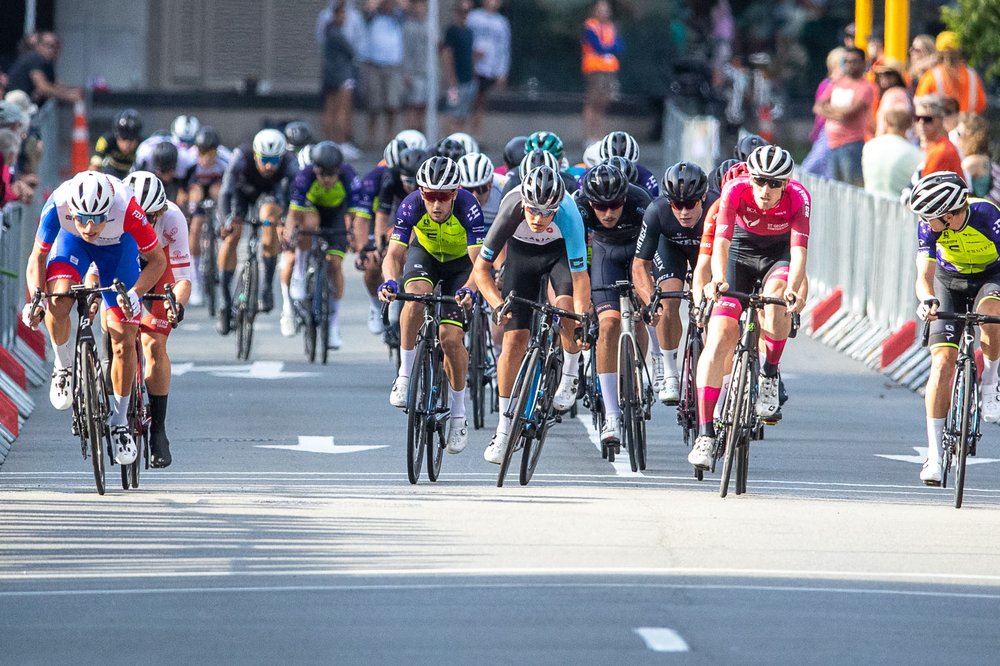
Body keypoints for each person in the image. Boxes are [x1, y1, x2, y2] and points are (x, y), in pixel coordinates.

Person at [21, 171, 166, 465]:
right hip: (71, 246)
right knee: (59, 299)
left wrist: (135, 294)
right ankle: (63, 367)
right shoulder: (58, 203)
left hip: (118, 251)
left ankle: (121, 421)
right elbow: (37, 256)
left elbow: (158, 262)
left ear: (109, 209)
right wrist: (36, 297)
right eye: (83, 218)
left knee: (123, 336)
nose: (90, 226)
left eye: (98, 218)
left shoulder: (127, 207)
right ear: (72, 210)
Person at [688, 146, 809, 470]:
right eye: (760, 181)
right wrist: (716, 281)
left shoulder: (798, 197)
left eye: (773, 184)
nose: (765, 191)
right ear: (749, 177)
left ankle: (769, 374)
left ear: (785, 183)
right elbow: (722, 244)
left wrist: (794, 290)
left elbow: (798, 254)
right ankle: (705, 434)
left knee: (778, 299)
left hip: (777, 256)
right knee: (719, 337)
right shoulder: (734, 190)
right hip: (739, 254)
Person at [472, 166, 590, 463]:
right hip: (521, 257)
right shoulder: (511, 207)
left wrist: (581, 319)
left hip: (558, 255)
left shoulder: (569, 214)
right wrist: (498, 304)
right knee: (513, 342)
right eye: (533, 210)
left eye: (546, 212)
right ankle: (503, 429)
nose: (538, 219)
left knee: (565, 308)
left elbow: (580, 279)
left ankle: (570, 374)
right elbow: (481, 270)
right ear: (524, 203)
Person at [378, 156, 486, 454]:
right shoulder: (410, 205)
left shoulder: (469, 207)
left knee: (451, 340)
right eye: (430, 196)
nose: (436, 205)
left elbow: (480, 264)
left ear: (455, 194)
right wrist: (389, 281)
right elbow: (394, 255)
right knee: (414, 300)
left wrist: (470, 289)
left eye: (443, 197)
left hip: (461, 266)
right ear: (421, 193)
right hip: (424, 256)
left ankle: (459, 414)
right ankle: (404, 374)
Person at [909, 171, 1000, 485]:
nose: (924, 220)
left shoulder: (987, 215)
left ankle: (990, 379)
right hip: (949, 283)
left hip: (991, 277)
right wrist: (927, 300)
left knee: (990, 312)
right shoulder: (928, 227)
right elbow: (924, 276)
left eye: (929, 216)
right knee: (943, 363)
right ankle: (934, 455)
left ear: (947, 215)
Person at [574, 163, 651, 443]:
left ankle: (637, 373)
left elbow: (656, 249)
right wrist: (584, 302)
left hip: (638, 256)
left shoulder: (641, 201)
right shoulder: (579, 205)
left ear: (625, 198)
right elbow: (575, 258)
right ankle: (611, 414)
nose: (608, 213)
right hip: (604, 255)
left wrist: (650, 293)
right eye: (600, 206)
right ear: (590, 201)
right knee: (608, 325)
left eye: (615, 205)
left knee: (641, 316)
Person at [121, 171, 191, 468]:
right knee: (118, 338)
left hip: (157, 268)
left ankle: (158, 430)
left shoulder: (173, 219)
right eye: (140, 216)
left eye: (150, 217)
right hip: (122, 267)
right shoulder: (115, 212)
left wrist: (176, 305)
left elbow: (183, 278)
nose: (144, 223)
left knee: (153, 345)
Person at [633, 162, 716, 405]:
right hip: (671, 248)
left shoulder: (718, 207)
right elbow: (640, 265)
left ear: (703, 198)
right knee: (667, 300)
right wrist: (651, 301)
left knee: (714, 308)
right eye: (677, 205)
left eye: (690, 204)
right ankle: (670, 372)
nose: (683, 212)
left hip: (708, 250)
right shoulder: (656, 211)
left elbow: (728, 257)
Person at [216, 129, 299, 334]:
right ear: (255, 155)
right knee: (233, 233)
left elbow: (295, 198)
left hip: (273, 196)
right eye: (265, 159)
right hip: (242, 194)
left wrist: (286, 223)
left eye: (274, 160)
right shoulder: (241, 157)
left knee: (270, 220)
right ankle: (224, 300)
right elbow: (226, 192)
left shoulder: (290, 163)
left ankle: (267, 289)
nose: (270, 165)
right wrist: (226, 220)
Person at [280, 141, 359, 348]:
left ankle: (333, 325)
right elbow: (293, 214)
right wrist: (289, 236)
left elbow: (355, 215)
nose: (326, 179)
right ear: (315, 169)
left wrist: (354, 237)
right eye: (322, 174)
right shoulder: (304, 176)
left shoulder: (349, 176)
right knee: (308, 224)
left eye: (331, 175)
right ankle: (300, 271)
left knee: (334, 264)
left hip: (336, 214)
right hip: (312, 212)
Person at [812, 46, 874, 186]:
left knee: (851, 185)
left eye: (854, 61)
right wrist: (838, 112)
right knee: (836, 186)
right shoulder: (837, 82)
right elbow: (818, 106)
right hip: (832, 142)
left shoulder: (865, 87)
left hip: (852, 143)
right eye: (846, 61)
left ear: (863, 63)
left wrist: (830, 110)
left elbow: (848, 114)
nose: (850, 65)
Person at [184, 126, 231, 307]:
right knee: (195, 228)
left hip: (215, 188)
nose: (206, 158)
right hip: (196, 189)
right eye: (202, 152)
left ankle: (218, 222)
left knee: (218, 190)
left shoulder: (225, 159)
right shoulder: (188, 159)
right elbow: (181, 182)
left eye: (210, 153)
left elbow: (231, 185)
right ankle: (195, 278)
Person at [362, 0, 406, 149]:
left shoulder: (398, 16)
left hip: (393, 66)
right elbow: (368, 8)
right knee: (373, 104)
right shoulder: (373, 16)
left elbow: (405, 6)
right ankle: (371, 138)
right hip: (375, 65)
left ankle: (390, 138)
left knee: (392, 104)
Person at [320, 1, 361, 160]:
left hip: (329, 75)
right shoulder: (337, 33)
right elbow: (351, 52)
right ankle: (341, 143)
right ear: (336, 15)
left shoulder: (328, 31)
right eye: (342, 14)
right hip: (342, 75)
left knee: (330, 110)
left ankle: (328, 142)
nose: (344, 17)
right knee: (342, 111)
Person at [581, 1, 623, 147]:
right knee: (593, 102)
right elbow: (598, 47)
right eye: (600, 9)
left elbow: (619, 47)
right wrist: (608, 48)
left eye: (606, 10)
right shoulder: (590, 26)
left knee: (603, 104)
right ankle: (590, 136)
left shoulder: (612, 27)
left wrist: (608, 48)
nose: (603, 12)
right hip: (595, 69)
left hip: (609, 70)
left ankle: (600, 135)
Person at [467, 0, 511, 136]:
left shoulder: (502, 23)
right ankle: (458, 134)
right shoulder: (473, 18)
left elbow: (504, 48)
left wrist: (502, 72)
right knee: (462, 102)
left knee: (481, 102)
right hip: (469, 68)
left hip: (489, 69)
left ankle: (475, 135)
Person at [915, 31, 986, 114]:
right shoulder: (972, 75)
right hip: (965, 124)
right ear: (959, 51)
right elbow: (981, 104)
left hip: (939, 125)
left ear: (938, 53)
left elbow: (919, 103)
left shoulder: (932, 76)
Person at [800, 47, 845, 179]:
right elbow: (820, 108)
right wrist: (839, 115)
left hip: (836, 133)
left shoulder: (843, 84)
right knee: (815, 164)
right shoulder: (829, 84)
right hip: (826, 131)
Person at [5, 31, 82, 104]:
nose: (52, 50)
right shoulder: (35, 59)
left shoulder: (48, 64)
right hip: (18, 103)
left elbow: (55, 85)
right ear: (38, 46)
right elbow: (43, 87)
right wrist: (68, 96)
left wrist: (70, 91)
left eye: (56, 46)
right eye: (48, 45)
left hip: (29, 104)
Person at [861, 108, 922, 199]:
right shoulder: (915, 153)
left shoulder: (869, 146)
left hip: (869, 203)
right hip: (897, 207)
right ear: (909, 126)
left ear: (886, 124)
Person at [441, 0, 477, 135]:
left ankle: (459, 140)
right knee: (452, 113)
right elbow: (446, 55)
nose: (464, 15)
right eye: (461, 11)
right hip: (455, 83)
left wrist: (473, 74)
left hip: (468, 79)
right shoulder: (451, 31)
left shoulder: (469, 32)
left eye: (467, 12)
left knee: (463, 114)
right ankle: (448, 141)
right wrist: (450, 78)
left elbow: (470, 55)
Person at [912, 94, 964, 181]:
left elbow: (926, 188)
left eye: (927, 119)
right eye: (917, 118)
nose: (921, 123)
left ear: (940, 120)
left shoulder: (942, 150)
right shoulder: (930, 146)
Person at [90, 108, 143, 180]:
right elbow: (94, 167)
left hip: (133, 177)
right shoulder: (106, 140)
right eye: (123, 139)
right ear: (116, 136)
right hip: (110, 175)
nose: (126, 145)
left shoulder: (144, 146)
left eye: (131, 140)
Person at [457, 152, 505, 228]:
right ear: (459, 187)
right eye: (468, 189)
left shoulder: (504, 189)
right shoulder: (452, 194)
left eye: (480, 189)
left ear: (491, 182)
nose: (474, 195)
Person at [401, 0, 429, 133]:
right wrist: (407, 72)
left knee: (424, 105)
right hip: (414, 73)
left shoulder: (430, 26)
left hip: (428, 73)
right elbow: (406, 51)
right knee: (413, 104)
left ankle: (421, 132)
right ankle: (410, 133)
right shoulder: (409, 27)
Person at [956, 113, 993, 198]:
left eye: (958, 133)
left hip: (978, 209)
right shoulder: (983, 157)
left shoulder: (971, 162)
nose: (957, 137)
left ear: (969, 135)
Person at [872, 58, 912, 137]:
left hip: (890, 140)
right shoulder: (898, 93)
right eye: (880, 74)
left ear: (897, 76)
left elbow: (895, 122)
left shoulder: (895, 94)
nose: (883, 77)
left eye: (888, 74)